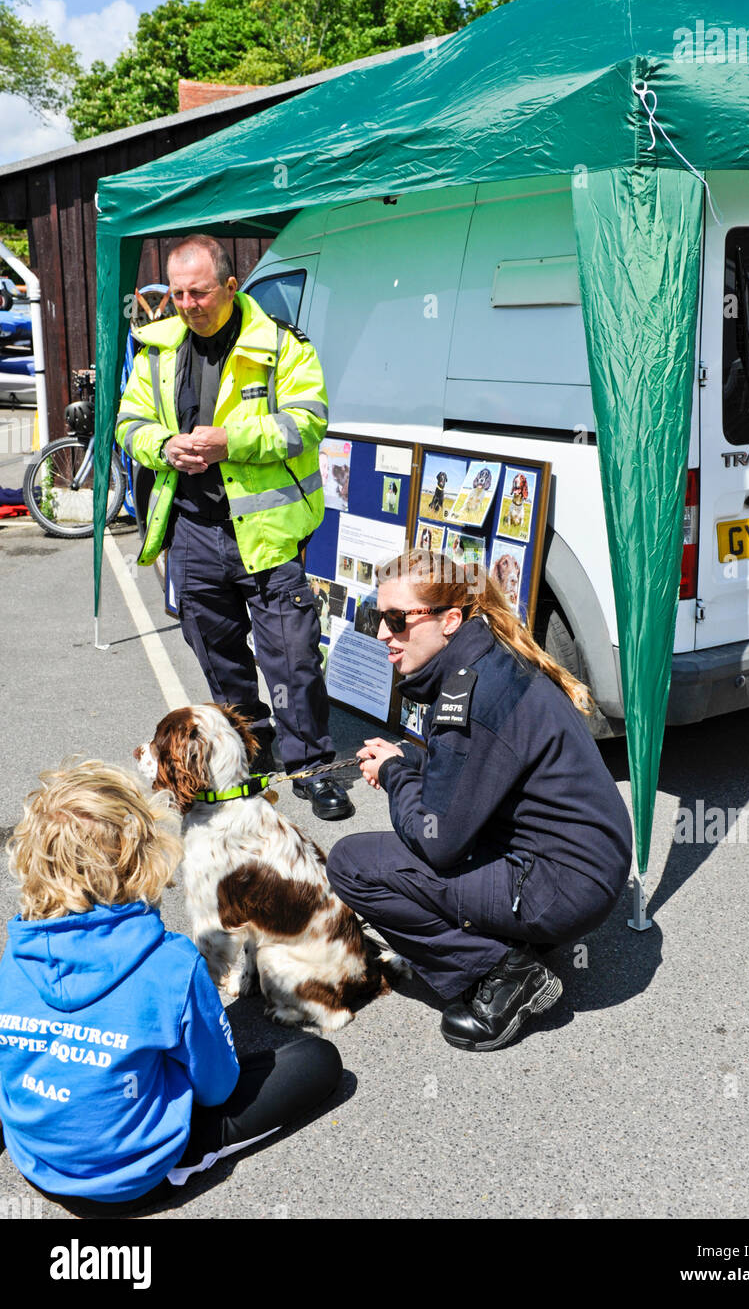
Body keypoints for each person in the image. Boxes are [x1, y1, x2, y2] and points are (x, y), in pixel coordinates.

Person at [0, 762, 342, 1214]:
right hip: (133, 1179)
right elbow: (216, 1089)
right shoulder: (172, 962)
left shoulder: (14, 952)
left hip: (36, 1158)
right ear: (144, 859)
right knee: (318, 1061)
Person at [326, 550, 633, 1052]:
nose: (383, 634)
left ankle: (506, 974)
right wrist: (408, 759)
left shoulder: (468, 699)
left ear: (449, 620)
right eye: (377, 616)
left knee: (353, 864)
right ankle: (518, 936)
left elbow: (439, 841)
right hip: (587, 866)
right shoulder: (486, 660)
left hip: (564, 885)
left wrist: (397, 774)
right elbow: (473, 772)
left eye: (397, 620)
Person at [115, 234, 350, 820]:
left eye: (199, 292)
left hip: (267, 533)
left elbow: (308, 423)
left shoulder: (282, 347)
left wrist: (230, 443)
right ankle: (251, 746)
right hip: (192, 530)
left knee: (293, 657)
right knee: (215, 651)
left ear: (230, 285)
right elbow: (128, 425)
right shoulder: (157, 349)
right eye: (177, 293)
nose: (188, 304)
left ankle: (313, 767)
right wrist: (164, 446)